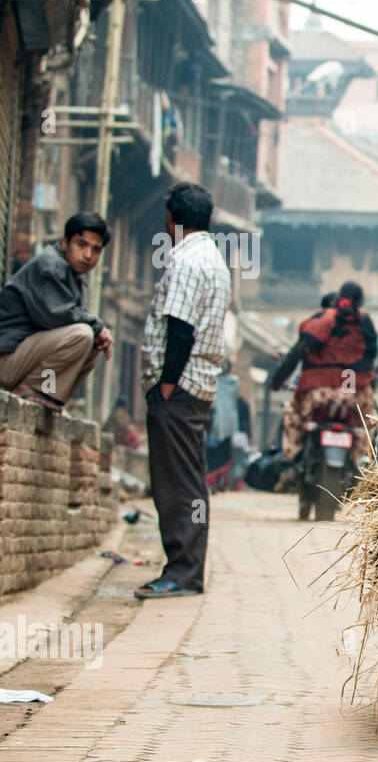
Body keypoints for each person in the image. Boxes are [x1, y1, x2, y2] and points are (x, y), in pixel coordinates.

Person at [135, 182, 232, 600]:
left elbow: (180, 329)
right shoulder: (214, 260)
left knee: (174, 484)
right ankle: (185, 569)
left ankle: (181, 572)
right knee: (189, 481)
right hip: (197, 387)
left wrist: (166, 385)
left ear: (173, 219)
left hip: (179, 388)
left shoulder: (186, 261)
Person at [0, 213, 115, 410]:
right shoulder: (49, 266)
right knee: (83, 334)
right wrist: (98, 327)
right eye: (81, 245)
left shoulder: (74, 276)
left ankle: (46, 394)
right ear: (64, 243)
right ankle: (31, 389)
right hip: (6, 361)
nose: (88, 255)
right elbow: (57, 316)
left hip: (23, 359)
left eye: (96, 249)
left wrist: (97, 332)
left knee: (93, 343)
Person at [276, 280, 377, 463]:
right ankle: (362, 460)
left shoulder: (322, 320)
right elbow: (370, 360)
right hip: (353, 389)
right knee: (369, 421)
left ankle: (293, 455)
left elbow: (299, 350)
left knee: (292, 411)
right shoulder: (364, 322)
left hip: (318, 391)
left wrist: (276, 381)